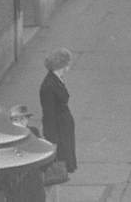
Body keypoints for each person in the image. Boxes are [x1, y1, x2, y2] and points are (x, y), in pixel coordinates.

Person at [39, 49, 76, 177]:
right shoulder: (49, 86)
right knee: (60, 160)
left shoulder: (56, 79)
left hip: (63, 126)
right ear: (62, 65)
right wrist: (52, 138)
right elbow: (48, 114)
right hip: (59, 128)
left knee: (64, 157)